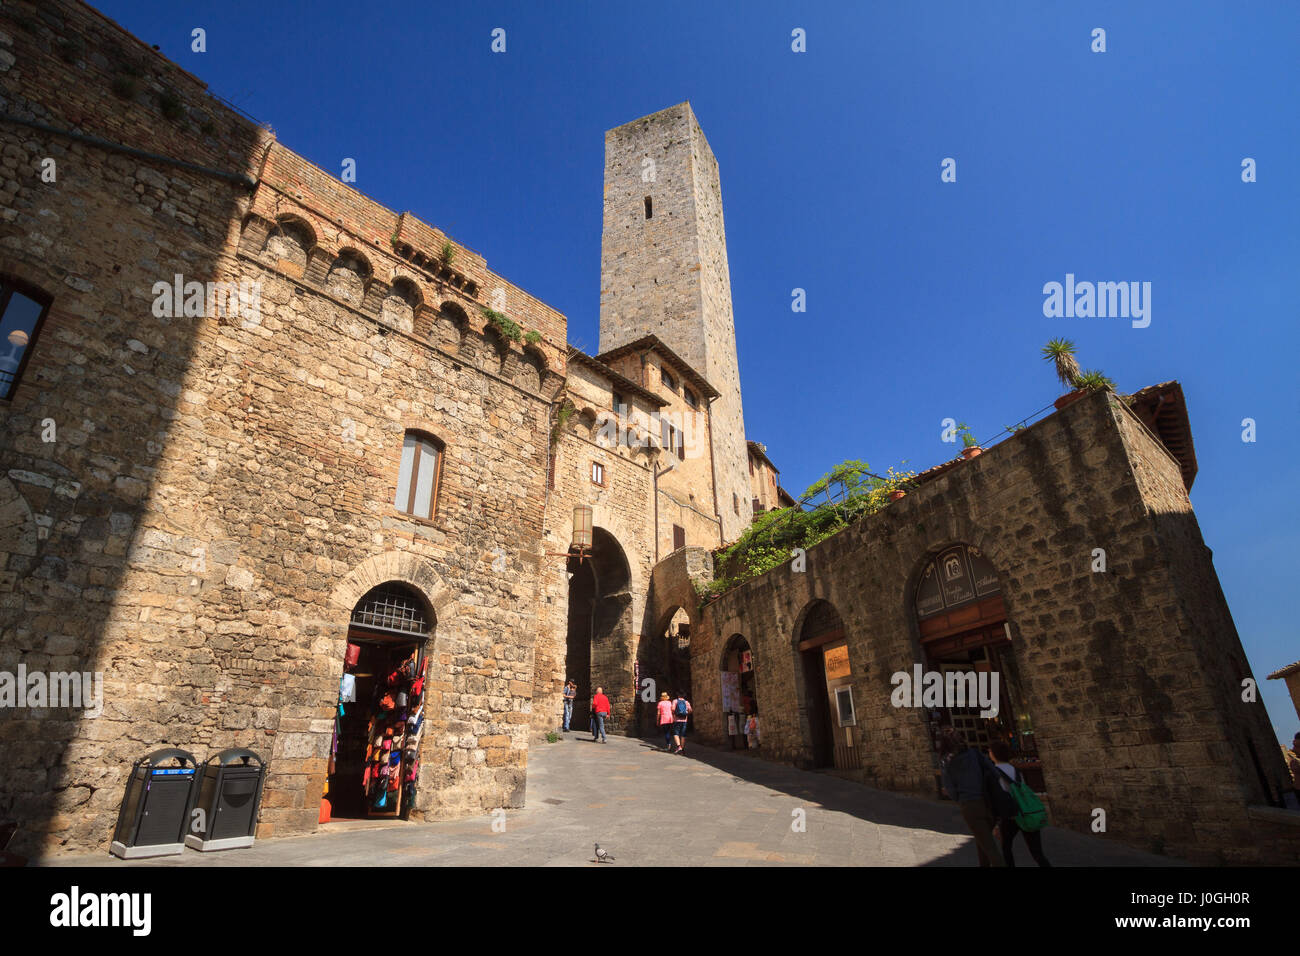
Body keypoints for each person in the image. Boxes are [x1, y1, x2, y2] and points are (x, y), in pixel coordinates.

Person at [938, 727, 1005, 867]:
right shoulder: (975, 753)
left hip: (970, 805)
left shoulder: (946, 762)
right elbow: (995, 773)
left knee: (989, 847)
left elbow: (951, 790)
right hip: (988, 802)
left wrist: (962, 798)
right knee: (982, 842)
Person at [989, 740, 1050, 867]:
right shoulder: (1015, 770)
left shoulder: (993, 772)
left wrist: (995, 822)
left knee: (1006, 848)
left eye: (990, 751)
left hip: (1009, 815)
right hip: (1025, 812)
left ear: (994, 754)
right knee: (1037, 852)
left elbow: (996, 797)